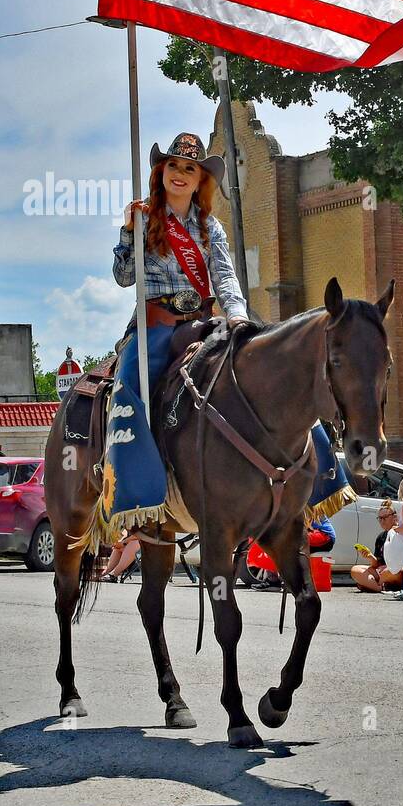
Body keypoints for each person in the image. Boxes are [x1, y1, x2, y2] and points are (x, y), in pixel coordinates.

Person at [94, 133, 249, 548]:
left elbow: (225, 276)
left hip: (203, 320)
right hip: (156, 325)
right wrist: (128, 233)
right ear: (161, 173)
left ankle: (299, 487)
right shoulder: (145, 219)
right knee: (128, 389)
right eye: (174, 166)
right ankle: (131, 497)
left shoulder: (209, 226)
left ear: (201, 180)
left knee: (256, 366)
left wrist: (237, 316)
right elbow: (124, 278)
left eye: (190, 169)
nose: (181, 174)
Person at [350, 500, 403, 593]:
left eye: (385, 518)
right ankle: (380, 587)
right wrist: (370, 557)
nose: (382, 521)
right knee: (355, 570)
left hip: (394, 572)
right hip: (380, 571)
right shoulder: (381, 536)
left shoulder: (401, 533)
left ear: (395, 517)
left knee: (390, 572)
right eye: (380, 518)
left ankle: (371, 585)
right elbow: (376, 564)